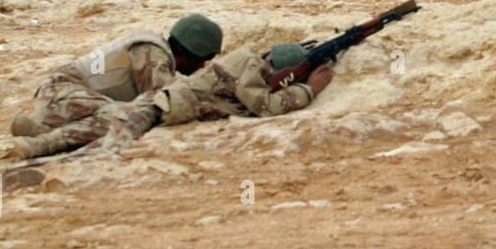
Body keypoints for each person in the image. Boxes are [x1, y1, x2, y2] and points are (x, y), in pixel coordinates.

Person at [10, 14, 223, 158]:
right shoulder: (153, 55)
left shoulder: (153, 47)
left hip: (61, 97)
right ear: (192, 52)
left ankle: (42, 128)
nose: (202, 65)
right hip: (62, 94)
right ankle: (43, 142)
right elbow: (165, 99)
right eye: (204, 59)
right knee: (125, 117)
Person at [88, 43, 334, 152]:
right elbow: (266, 106)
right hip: (153, 108)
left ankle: (50, 161)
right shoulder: (250, 69)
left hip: (159, 108)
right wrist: (308, 89)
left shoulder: (247, 66)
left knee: (91, 140)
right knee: (109, 147)